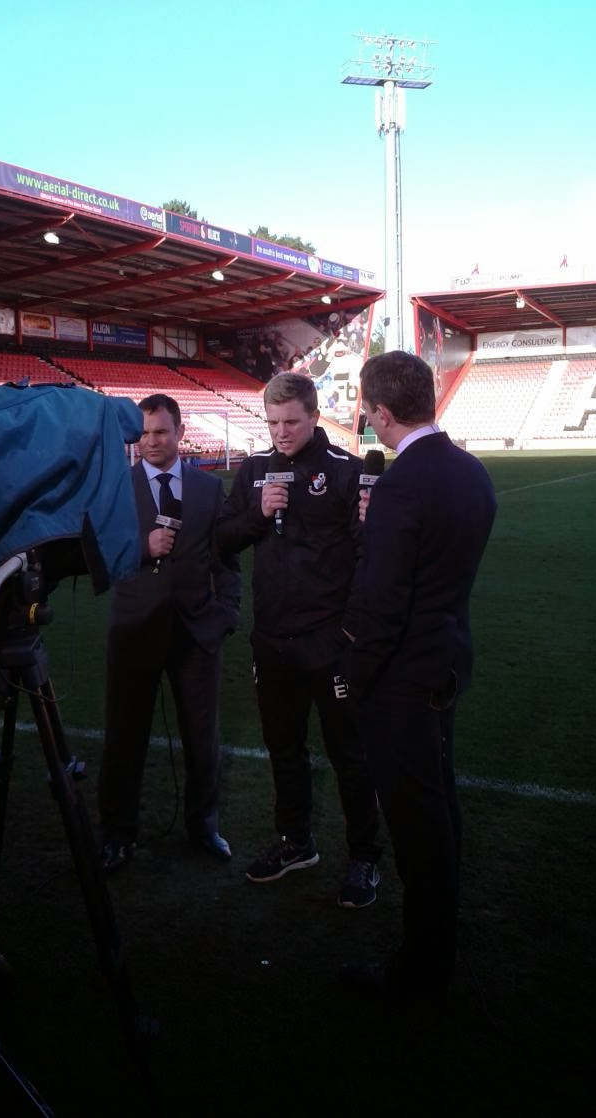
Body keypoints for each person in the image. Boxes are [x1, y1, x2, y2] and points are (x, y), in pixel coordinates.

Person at [340, 351, 496, 1009]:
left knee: (417, 824)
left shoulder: (404, 485)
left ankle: (421, 969)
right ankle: (436, 949)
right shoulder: (471, 472)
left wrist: (352, 677)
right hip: (447, 660)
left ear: (379, 413)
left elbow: (382, 603)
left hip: (404, 678)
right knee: (440, 810)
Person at [216, 372, 381, 909]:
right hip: (272, 641)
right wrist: (258, 516)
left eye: (291, 422)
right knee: (283, 749)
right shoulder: (254, 471)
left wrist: (350, 630)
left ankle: (364, 857)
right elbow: (223, 539)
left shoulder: (346, 473)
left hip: (330, 643)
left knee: (348, 754)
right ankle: (296, 843)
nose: (281, 432)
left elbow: (369, 557)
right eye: (272, 422)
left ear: (314, 417)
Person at [97, 394, 241, 870]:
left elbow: (225, 560)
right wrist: (144, 546)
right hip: (136, 629)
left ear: (180, 433)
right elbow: (96, 552)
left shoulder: (206, 488)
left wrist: (225, 616)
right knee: (125, 738)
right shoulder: (117, 487)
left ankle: (204, 826)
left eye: (161, 432)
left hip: (196, 633)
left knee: (202, 738)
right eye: (144, 433)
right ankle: (118, 834)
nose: (151, 441)